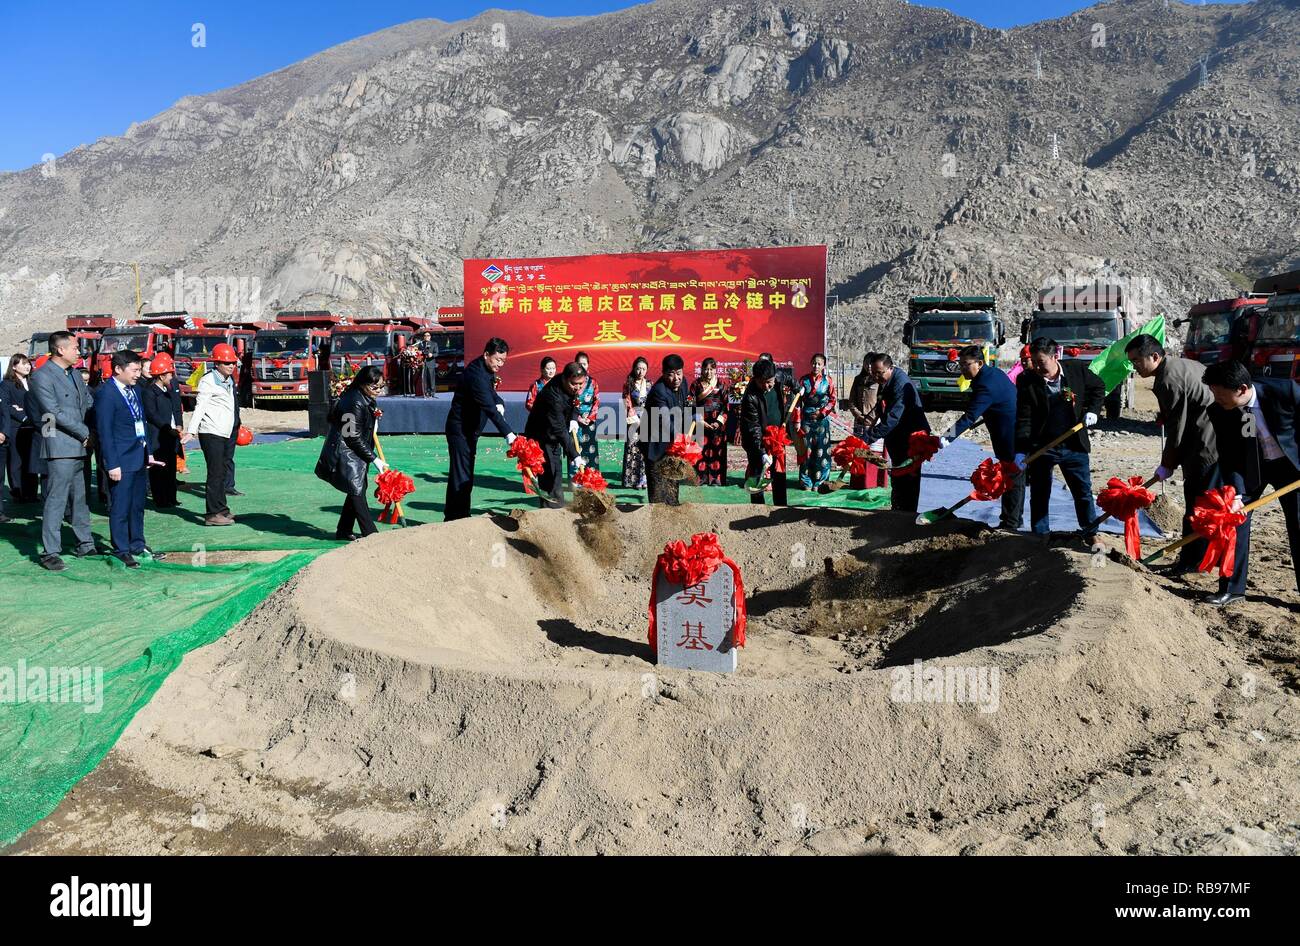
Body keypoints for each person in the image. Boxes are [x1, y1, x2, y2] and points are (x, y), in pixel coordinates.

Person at [1202, 360, 1299, 608]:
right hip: (1252, 468)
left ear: (1242, 389)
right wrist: (1236, 492)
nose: (1217, 399)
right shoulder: (1220, 411)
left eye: (1221, 395)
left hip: (1292, 466)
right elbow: (1230, 455)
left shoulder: (1286, 391)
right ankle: (1232, 589)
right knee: (1233, 520)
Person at [1126, 334, 1219, 571]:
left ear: (1155, 356)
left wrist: (1167, 464)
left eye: (1137, 361)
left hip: (1204, 445)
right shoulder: (1183, 364)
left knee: (1197, 505)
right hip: (1211, 439)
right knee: (1205, 502)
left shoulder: (1168, 379)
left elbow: (1177, 429)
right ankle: (1200, 558)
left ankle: (1192, 562)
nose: (1134, 367)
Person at [1014, 336, 1105, 549]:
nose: (1036, 367)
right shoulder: (1027, 380)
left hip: (1073, 443)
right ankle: (1040, 533)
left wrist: (1092, 411)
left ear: (1055, 356)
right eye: (1033, 362)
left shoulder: (1076, 370)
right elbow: (1024, 418)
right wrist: (1021, 450)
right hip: (1043, 445)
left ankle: (1091, 532)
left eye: (1041, 362)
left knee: (1082, 491)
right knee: (1039, 492)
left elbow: (1098, 388)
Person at [29, 332, 99, 570]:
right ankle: (50, 552)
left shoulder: (74, 375)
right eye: (75, 347)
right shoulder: (42, 377)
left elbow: (87, 403)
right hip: (60, 446)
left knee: (80, 498)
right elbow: (53, 412)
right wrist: (85, 433)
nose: (79, 351)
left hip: (80, 445)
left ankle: (85, 543)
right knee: (56, 500)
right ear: (60, 350)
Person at [943, 345, 1022, 530]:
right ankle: (1013, 519)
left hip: (1011, 436)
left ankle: (1010, 524)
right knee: (1013, 478)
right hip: (1010, 432)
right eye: (960, 365)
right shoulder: (993, 373)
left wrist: (947, 437)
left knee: (1012, 479)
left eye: (966, 364)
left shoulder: (986, 384)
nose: (962, 369)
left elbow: (970, 416)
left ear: (979, 363)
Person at [94, 351, 156, 567]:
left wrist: (147, 450)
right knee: (120, 506)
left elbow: (142, 421)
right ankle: (121, 548)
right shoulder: (106, 393)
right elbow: (105, 432)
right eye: (135, 370)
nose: (138, 374)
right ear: (119, 369)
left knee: (137, 505)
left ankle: (138, 543)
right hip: (120, 460)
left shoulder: (136, 390)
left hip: (138, 455)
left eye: (140, 370)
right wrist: (112, 463)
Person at [444, 337, 517, 521]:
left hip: (470, 431)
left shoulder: (484, 369)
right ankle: (455, 517)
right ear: (486, 355)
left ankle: (461, 513)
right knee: (461, 474)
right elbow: (489, 408)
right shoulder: (476, 375)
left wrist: (499, 402)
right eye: (497, 360)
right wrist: (509, 434)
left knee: (466, 474)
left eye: (503, 361)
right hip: (460, 430)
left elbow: (491, 394)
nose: (500, 364)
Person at [315, 365, 387, 540]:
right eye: (374, 387)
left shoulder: (366, 398)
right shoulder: (353, 400)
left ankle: (344, 530)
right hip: (346, 451)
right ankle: (370, 533)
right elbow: (351, 436)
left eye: (381, 387)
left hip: (357, 450)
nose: (377, 391)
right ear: (363, 384)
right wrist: (374, 459)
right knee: (356, 490)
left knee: (357, 487)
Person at [864, 353, 931, 513]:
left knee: (909, 476)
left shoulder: (900, 384)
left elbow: (892, 418)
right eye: (873, 373)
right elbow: (882, 404)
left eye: (879, 373)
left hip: (911, 438)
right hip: (897, 436)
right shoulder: (886, 379)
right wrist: (874, 418)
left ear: (890, 368)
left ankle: (907, 514)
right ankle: (897, 509)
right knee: (898, 473)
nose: (876, 377)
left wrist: (868, 437)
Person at [183, 343, 240, 526]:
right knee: (215, 473)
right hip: (211, 432)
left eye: (233, 362)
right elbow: (200, 408)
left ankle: (222, 509)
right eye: (227, 363)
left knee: (222, 472)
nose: (231, 366)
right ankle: (212, 513)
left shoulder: (229, 380)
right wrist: (191, 430)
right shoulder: (208, 381)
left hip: (225, 432)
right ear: (217, 363)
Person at [524, 362, 588, 508]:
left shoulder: (569, 385)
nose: (578, 388)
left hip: (553, 433)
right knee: (550, 473)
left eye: (581, 384)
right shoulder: (553, 396)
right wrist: (575, 455)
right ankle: (550, 511)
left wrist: (573, 418)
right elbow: (559, 430)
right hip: (541, 436)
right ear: (565, 379)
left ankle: (558, 506)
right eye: (574, 384)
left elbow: (575, 402)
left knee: (557, 471)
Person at [642, 353, 689, 504]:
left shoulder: (684, 383)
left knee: (673, 484)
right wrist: (681, 439)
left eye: (679, 373)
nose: (676, 378)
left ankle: (673, 512)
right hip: (655, 444)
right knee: (658, 490)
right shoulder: (659, 391)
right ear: (663, 374)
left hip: (671, 442)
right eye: (671, 374)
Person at [141, 351, 184, 509]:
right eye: (169, 374)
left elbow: (176, 409)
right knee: (159, 469)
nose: (171, 377)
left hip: (170, 435)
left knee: (171, 467)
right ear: (161, 376)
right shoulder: (149, 392)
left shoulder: (168, 391)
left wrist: (178, 425)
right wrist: (167, 428)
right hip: (158, 435)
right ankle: (161, 499)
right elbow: (151, 414)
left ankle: (171, 497)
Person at [740, 357, 778, 505]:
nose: (768, 386)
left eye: (770, 382)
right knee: (757, 472)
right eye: (763, 383)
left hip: (776, 436)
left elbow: (787, 379)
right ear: (755, 379)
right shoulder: (750, 396)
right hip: (755, 441)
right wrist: (762, 452)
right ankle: (757, 507)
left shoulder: (777, 378)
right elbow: (753, 428)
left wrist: (796, 387)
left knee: (778, 472)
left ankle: (780, 505)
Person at [796, 353, 837, 490]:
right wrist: (797, 420)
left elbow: (832, 400)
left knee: (821, 451)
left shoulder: (828, 381)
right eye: (814, 363)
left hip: (821, 421)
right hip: (806, 421)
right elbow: (797, 402)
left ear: (824, 366)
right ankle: (806, 481)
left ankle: (820, 481)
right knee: (805, 451)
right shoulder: (803, 381)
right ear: (810, 363)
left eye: (819, 363)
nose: (816, 366)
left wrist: (822, 412)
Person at [847, 353, 886, 489]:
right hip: (859, 421)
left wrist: (871, 419)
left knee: (873, 453)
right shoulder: (858, 379)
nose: (868, 366)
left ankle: (873, 483)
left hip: (875, 422)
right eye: (866, 363)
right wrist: (858, 415)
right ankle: (858, 482)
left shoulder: (879, 380)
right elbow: (851, 401)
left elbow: (881, 403)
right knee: (859, 452)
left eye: (871, 363)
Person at [2, 354, 38, 504]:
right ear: (14, 366)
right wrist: (22, 415)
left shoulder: (33, 382)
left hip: (33, 426)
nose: (27, 366)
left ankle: (31, 492)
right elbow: (7, 406)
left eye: (28, 363)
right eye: (23, 364)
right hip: (17, 427)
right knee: (16, 461)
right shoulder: (6, 384)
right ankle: (18, 491)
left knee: (32, 459)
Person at [691, 357, 728, 485]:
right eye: (705, 369)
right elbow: (691, 404)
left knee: (718, 451)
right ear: (701, 370)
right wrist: (700, 420)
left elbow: (726, 405)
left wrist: (718, 422)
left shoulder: (721, 384)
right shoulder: (695, 385)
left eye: (711, 369)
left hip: (717, 424)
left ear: (715, 370)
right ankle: (700, 478)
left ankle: (716, 479)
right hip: (701, 423)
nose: (708, 372)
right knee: (700, 451)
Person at [570, 351, 600, 476]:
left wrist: (590, 417)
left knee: (590, 451)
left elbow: (596, 401)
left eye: (584, 364)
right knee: (575, 450)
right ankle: (575, 479)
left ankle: (591, 478)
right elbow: (568, 402)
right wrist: (577, 418)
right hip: (574, 421)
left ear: (588, 365)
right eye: (579, 364)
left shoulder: (593, 383)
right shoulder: (571, 382)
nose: (582, 366)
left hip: (589, 422)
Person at [621, 356, 649, 489]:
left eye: (643, 369)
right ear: (634, 369)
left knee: (644, 449)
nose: (640, 372)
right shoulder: (628, 384)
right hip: (633, 421)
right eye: (638, 368)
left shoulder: (649, 384)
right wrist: (635, 420)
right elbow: (627, 403)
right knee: (633, 448)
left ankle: (643, 480)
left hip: (647, 420)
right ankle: (631, 480)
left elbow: (653, 402)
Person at [417, 330, 439, 398]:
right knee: (424, 379)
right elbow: (418, 352)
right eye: (425, 336)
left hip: (430, 363)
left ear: (430, 337)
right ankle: (426, 392)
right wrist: (419, 353)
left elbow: (437, 353)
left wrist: (431, 355)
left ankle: (432, 392)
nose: (426, 337)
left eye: (428, 336)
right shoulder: (421, 344)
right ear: (423, 337)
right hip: (423, 363)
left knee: (431, 379)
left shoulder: (434, 344)